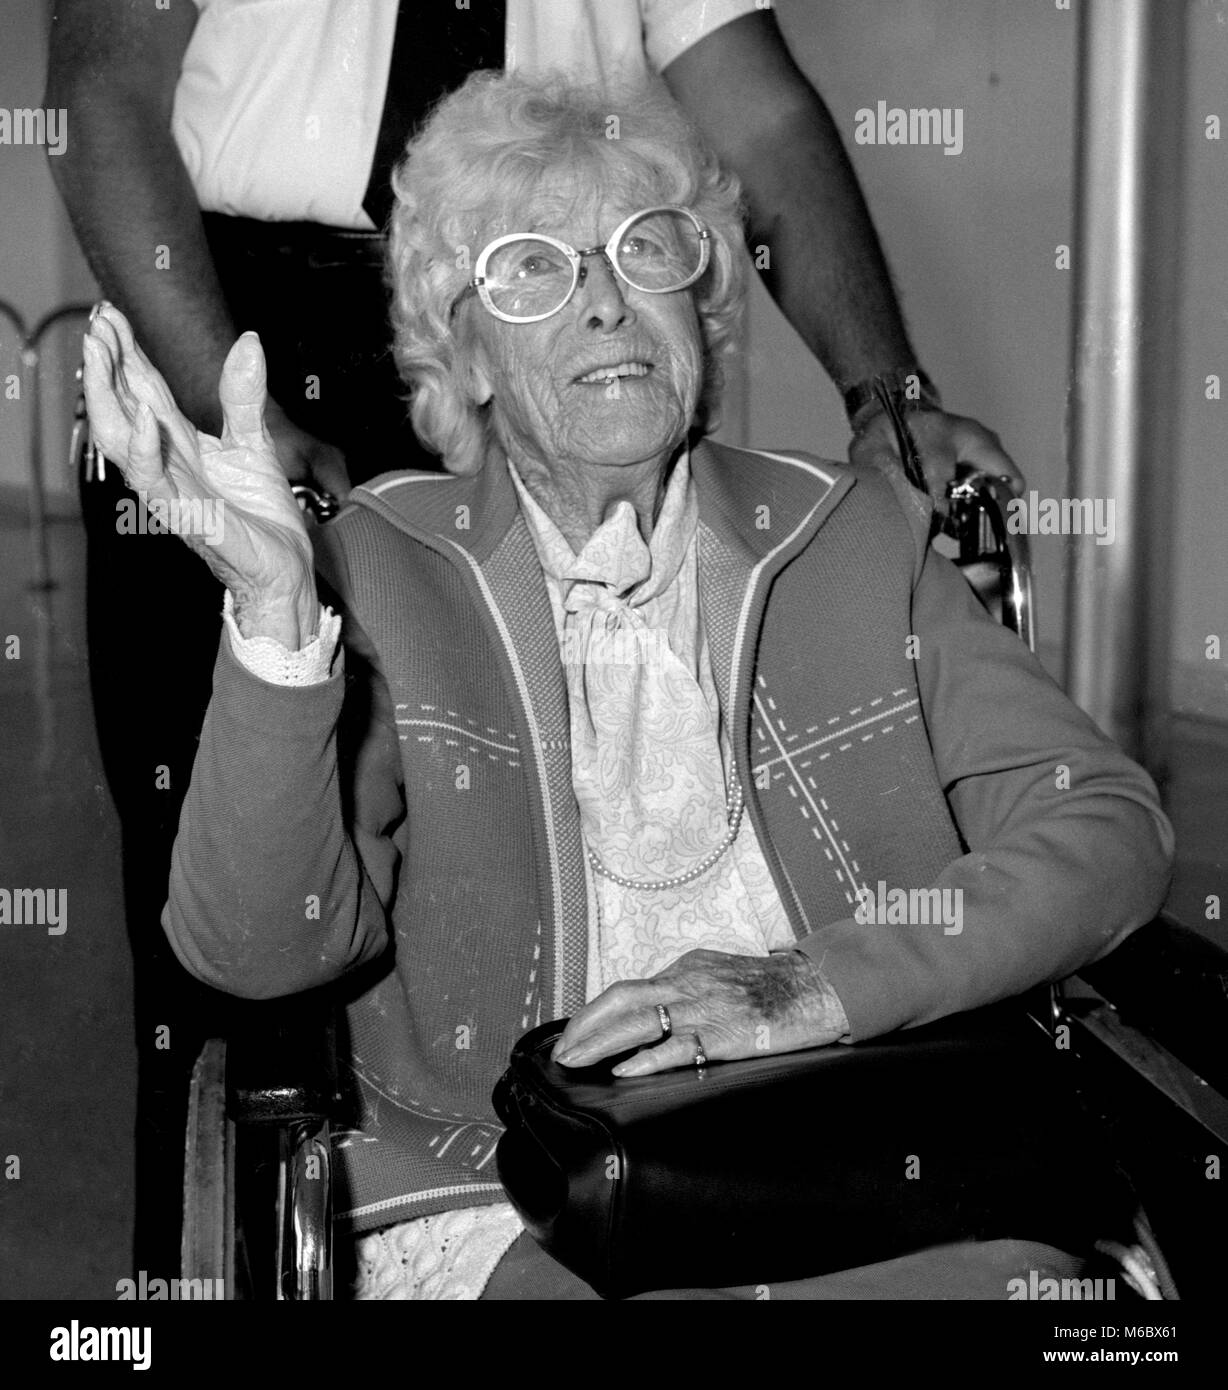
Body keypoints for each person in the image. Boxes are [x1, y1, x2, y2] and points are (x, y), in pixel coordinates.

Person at [83, 71, 1171, 1299]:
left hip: (876, 1157)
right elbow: (254, 955)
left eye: (642, 251)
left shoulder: (852, 534)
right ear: (467, 356)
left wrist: (808, 986)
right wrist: (279, 622)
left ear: (697, 314)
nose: (604, 301)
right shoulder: (383, 572)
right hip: (518, 1202)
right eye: (533, 269)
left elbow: (1106, 827)